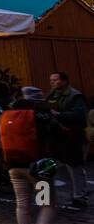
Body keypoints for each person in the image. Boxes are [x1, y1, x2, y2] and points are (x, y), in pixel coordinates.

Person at [0, 87, 65, 224]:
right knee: (47, 204)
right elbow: (60, 134)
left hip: (14, 167)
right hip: (38, 169)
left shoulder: (7, 113)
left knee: (22, 205)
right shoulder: (40, 115)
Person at [46, 71, 88, 209]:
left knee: (74, 166)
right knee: (57, 166)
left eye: (55, 80)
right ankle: (64, 195)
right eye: (51, 80)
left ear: (64, 81)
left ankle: (79, 197)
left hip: (72, 135)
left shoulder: (75, 95)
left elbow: (80, 114)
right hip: (56, 136)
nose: (52, 82)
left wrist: (59, 115)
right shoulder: (51, 94)